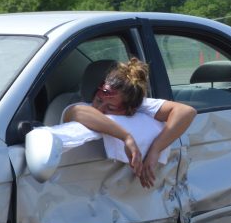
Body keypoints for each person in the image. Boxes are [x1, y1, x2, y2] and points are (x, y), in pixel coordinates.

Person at [62, 58, 196, 189]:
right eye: (98, 100)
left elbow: (186, 112)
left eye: (111, 108)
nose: (99, 109)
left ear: (131, 110)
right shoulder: (85, 107)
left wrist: (155, 149)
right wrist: (126, 137)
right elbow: (77, 111)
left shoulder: (137, 105)